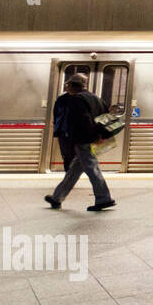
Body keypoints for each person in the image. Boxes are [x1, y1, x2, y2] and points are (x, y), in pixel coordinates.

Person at [45, 74, 116, 212]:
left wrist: (88, 137)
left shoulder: (77, 100)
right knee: (75, 170)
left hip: (83, 139)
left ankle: (104, 198)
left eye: (68, 85)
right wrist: (103, 135)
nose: (67, 88)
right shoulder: (96, 98)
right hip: (92, 138)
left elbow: (82, 121)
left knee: (91, 168)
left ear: (72, 85)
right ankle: (57, 197)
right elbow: (107, 117)